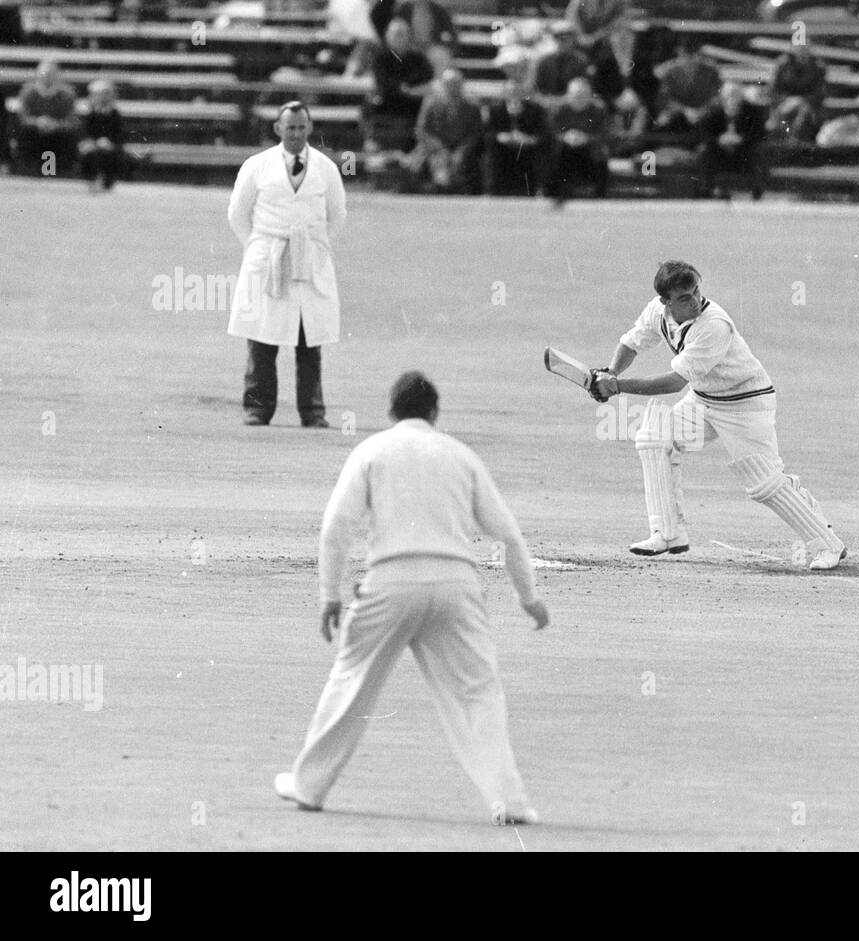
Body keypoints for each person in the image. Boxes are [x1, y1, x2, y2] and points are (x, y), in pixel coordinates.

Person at [274, 370, 549, 823]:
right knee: (479, 693)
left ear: (391, 413)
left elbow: (336, 528)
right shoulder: (461, 455)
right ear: (435, 413)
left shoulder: (371, 450)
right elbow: (509, 536)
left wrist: (330, 595)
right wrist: (528, 597)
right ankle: (511, 802)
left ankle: (308, 786)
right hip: (455, 586)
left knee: (350, 681)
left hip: (390, 582)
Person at [588, 261, 847, 571]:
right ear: (665, 302)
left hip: (746, 404)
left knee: (764, 483)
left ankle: (828, 545)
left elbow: (674, 382)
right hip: (704, 399)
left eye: (696, 291)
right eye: (684, 297)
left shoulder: (714, 325)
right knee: (654, 438)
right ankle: (667, 533)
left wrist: (616, 386)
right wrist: (610, 372)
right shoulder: (656, 313)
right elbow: (632, 342)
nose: (695, 300)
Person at [227, 102, 347, 427]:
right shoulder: (257, 166)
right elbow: (238, 214)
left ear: (309, 129)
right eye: (289, 127)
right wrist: (260, 247)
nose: (295, 133)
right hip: (267, 254)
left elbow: (337, 215)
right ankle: (258, 408)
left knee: (309, 338)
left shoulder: (325, 168)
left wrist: (310, 247)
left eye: (300, 127)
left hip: (310, 258)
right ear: (278, 129)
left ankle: (312, 411)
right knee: (262, 336)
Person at [409, 69, 483, 193]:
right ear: (443, 85)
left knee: (461, 164)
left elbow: (475, 133)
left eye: (456, 84)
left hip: (462, 151)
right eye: (449, 84)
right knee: (431, 162)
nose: (453, 87)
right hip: (435, 149)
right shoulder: (431, 104)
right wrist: (441, 150)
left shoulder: (472, 106)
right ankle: (437, 186)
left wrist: (460, 151)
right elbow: (421, 131)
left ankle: (454, 187)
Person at [370, 18, 436, 152]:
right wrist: (403, 88)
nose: (399, 38)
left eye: (402, 34)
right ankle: (373, 143)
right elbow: (383, 80)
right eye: (396, 34)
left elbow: (427, 75)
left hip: (414, 103)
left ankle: (421, 146)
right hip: (388, 102)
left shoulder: (417, 57)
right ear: (387, 36)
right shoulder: (381, 57)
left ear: (409, 36)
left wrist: (410, 89)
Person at [697, 81, 767, 199]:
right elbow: (703, 133)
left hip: (743, 153)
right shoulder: (713, 112)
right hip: (719, 153)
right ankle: (706, 190)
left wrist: (741, 139)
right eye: (729, 95)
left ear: (741, 97)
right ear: (723, 97)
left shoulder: (752, 112)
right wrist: (719, 139)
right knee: (704, 152)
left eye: (736, 95)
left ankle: (757, 191)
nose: (732, 98)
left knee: (757, 153)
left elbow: (759, 134)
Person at [483, 78, 550, 196]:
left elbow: (543, 134)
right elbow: (487, 133)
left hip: (527, 150)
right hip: (502, 150)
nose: (513, 94)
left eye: (517, 91)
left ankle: (533, 191)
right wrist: (500, 137)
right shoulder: (495, 110)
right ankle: (494, 192)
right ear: (504, 93)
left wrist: (528, 139)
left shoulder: (535, 110)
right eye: (510, 91)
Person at [547, 76, 609, 199]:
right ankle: (550, 197)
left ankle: (599, 199)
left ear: (590, 96)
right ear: (568, 95)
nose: (579, 99)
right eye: (576, 96)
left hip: (589, 151)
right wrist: (565, 137)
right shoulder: (559, 109)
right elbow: (550, 131)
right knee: (551, 158)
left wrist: (586, 138)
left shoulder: (598, 110)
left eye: (583, 96)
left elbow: (604, 132)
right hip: (564, 150)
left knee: (601, 160)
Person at [14, 60, 79, 177]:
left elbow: (72, 120)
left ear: (57, 75)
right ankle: (29, 171)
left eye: (51, 74)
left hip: (57, 132)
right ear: (38, 75)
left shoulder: (67, 94)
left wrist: (56, 124)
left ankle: (58, 172)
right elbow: (22, 117)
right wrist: (37, 122)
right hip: (35, 130)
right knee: (23, 132)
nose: (47, 77)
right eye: (44, 74)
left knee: (68, 136)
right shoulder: (28, 92)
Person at [653, 37, 722, 137]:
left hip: (705, 112)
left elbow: (716, 97)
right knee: (662, 121)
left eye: (692, 55)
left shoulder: (711, 72)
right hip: (679, 111)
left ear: (699, 55)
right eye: (684, 55)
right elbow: (664, 98)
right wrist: (685, 110)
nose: (688, 59)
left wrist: (702, 111)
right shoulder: (671, 72)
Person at [768, 43, 826, 143]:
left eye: (805, 49)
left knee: (802, 113)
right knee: (787, 115)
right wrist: (787, 101)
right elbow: (773, 90)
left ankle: (794, 142)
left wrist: (802, 101)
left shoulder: (818, 67)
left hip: (808, 106)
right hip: (783, 104)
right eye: (799, 49)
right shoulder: (783, 65)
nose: (802, 52)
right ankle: (788, 142)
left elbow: (820, 92)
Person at [567, 0, 634, 80]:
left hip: (605, 36)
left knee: (623, 37)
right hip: (582, 35)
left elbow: (621, 19)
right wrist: (581, 35)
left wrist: (597, 36)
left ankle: (624, 77)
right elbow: (571, 14)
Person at [78, 79, 125, 192]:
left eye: (106, 94)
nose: (102, 98)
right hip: (92, 146)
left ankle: (106, 182)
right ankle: (91, 180)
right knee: (89, 153)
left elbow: (120, 135)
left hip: (110, 146)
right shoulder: (89, 115)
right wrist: (93, 143)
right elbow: (84, 133)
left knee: (109, 155)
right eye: (99, 95)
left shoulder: (116, 115)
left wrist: (110, 143)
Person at [533, 20, 592, 107]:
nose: (562, 42)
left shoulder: (581, 61)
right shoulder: (544, 62)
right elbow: (537, 89)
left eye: (566, 38)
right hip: (547, 103)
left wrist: (565, 100)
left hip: (572, 104)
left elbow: (584, 88)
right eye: (559, 38)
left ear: (573, 40)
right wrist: (546, 101)